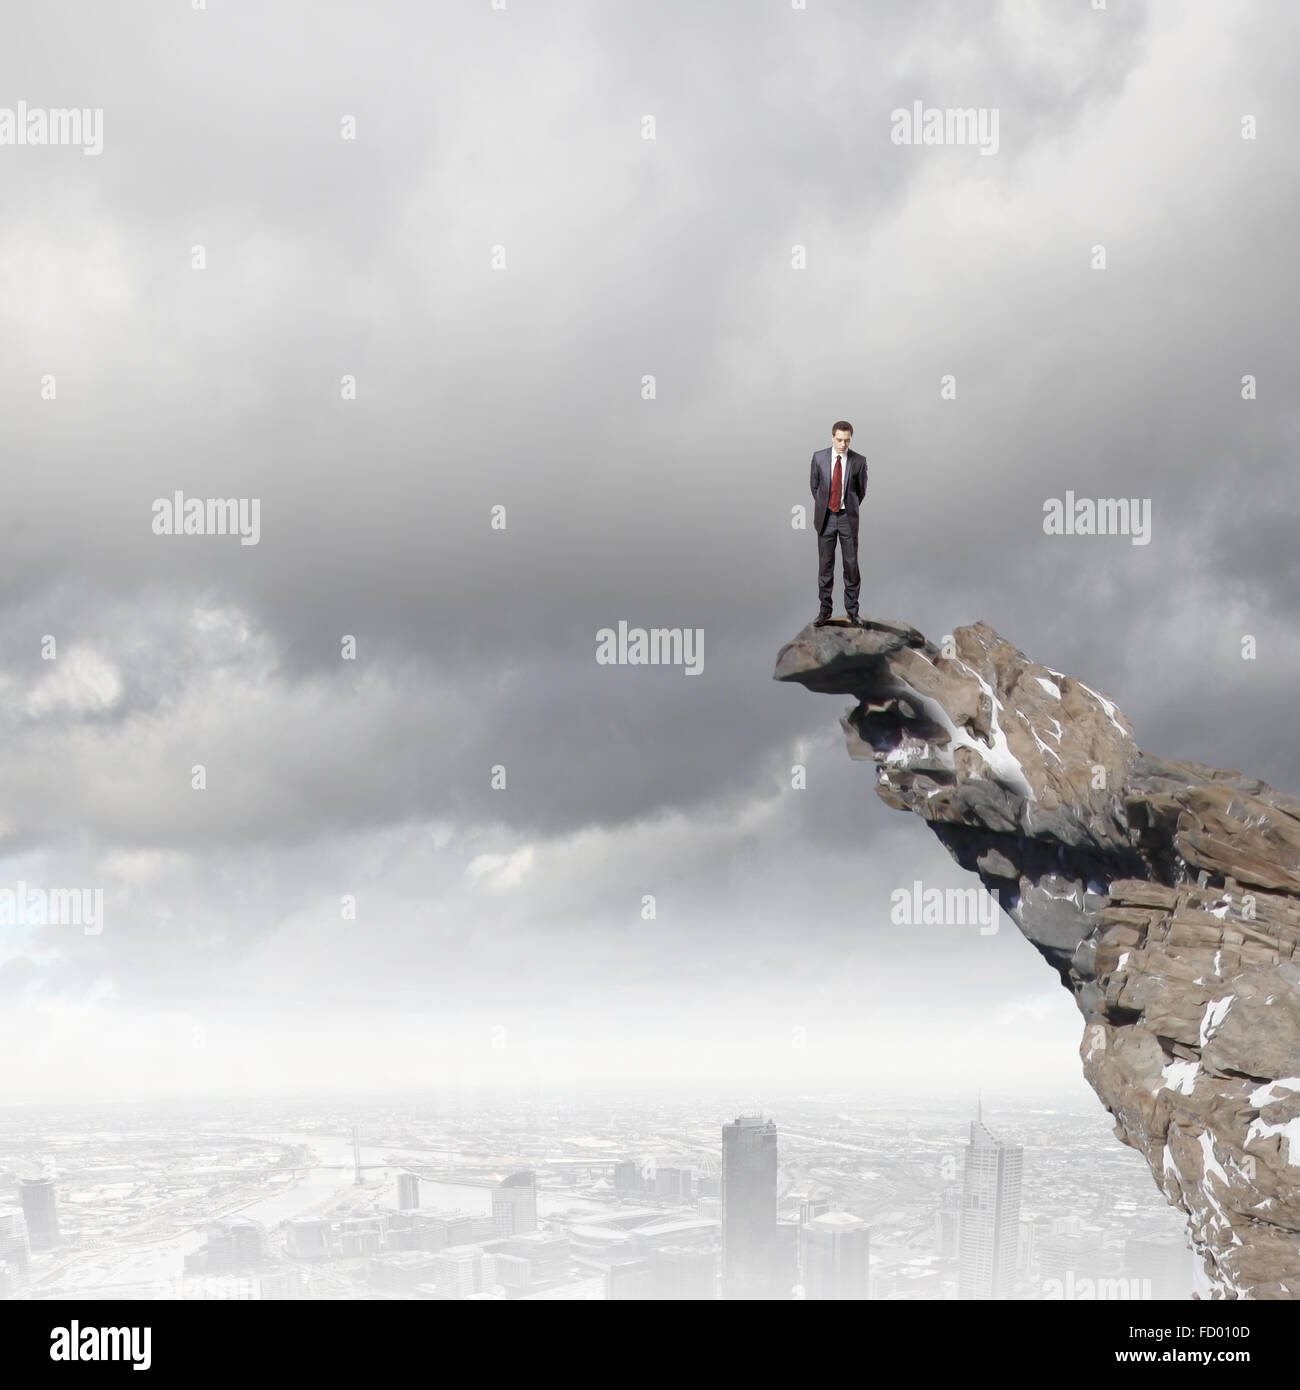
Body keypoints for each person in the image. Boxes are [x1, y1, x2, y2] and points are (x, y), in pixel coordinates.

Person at [810, 420, 867, 627]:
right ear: (832, 437)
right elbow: (815, 487)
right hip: (825, 518)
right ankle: (825, 612)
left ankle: (853, 612)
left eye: (847, 441)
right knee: (825, 568)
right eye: (840, 440)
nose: (843, 444)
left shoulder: (859, 461)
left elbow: (861, 492)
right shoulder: (819, 458)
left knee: (851, 567)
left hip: (847, 519)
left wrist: (847, 507)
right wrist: (826, 506)